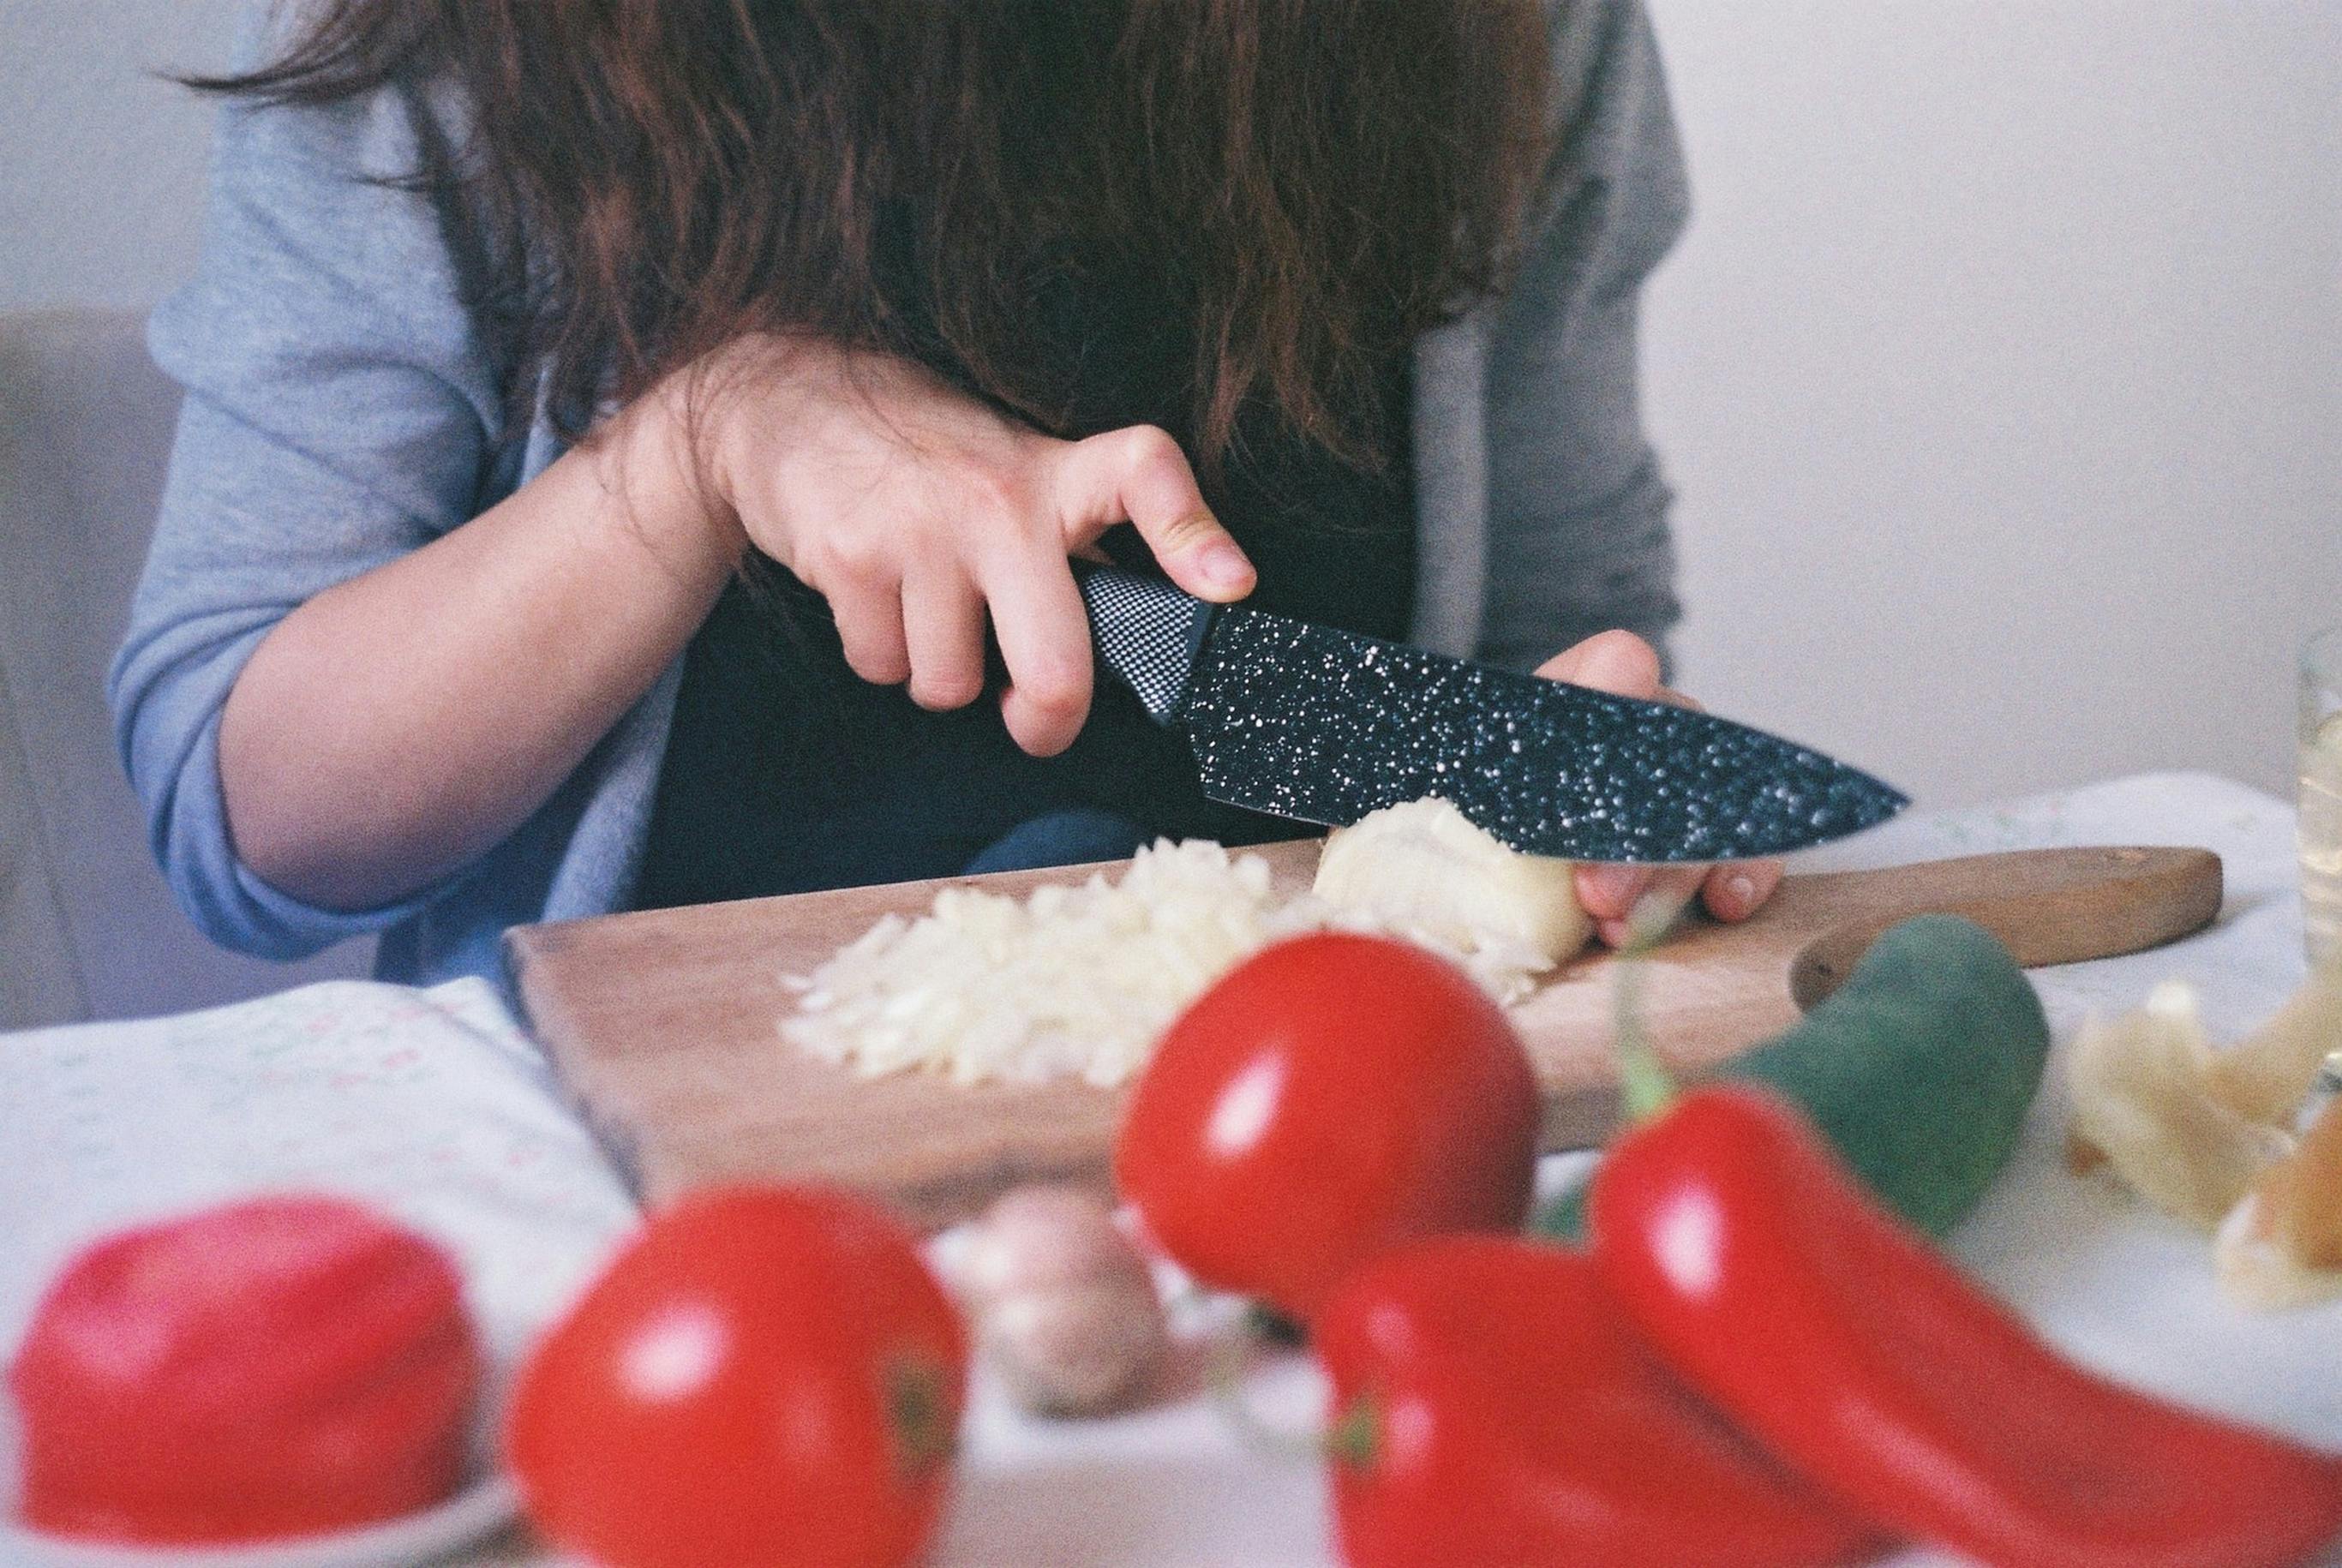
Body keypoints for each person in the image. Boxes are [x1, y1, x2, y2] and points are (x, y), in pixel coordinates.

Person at [111, 0, 1782, 990]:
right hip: (653, 1222)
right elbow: (247, 819)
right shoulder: (467, 45)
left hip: (1317, 1132)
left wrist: (1574, 761)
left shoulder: (1517, 31)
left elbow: (1564, 615)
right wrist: (697, 448)